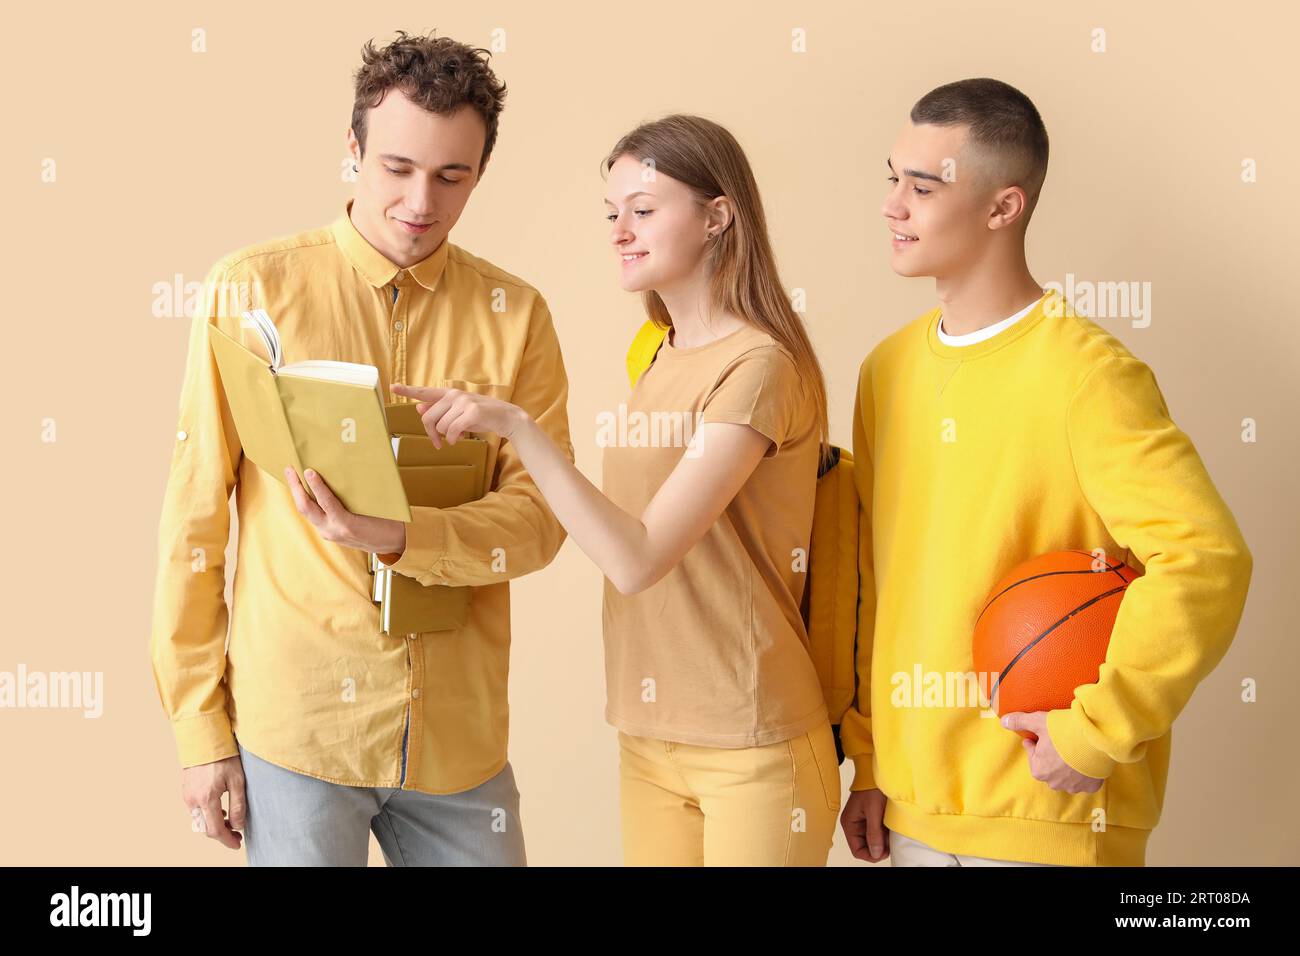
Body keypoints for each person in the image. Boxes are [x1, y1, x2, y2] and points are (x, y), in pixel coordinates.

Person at [149, 30, 573, 866]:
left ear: (480, 172)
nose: (422, 201)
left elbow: (541, 521)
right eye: (398, 168)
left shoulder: (517, 315)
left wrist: (406, 537)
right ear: (353, 150)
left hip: (460, 741)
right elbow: (195, 516)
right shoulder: (250, 287)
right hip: (299, 729)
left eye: (453, 176)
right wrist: (199, 729)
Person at [393, 114, 840, 865]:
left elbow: (637, 559)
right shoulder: (658, 354)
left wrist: (520, 429)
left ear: (717, 216)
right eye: (612, 214)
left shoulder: (759, 367)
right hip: (649, 733)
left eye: (644, 208)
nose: (621, 231)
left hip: (751, 738)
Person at [838, 78, 1253, 867]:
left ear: (1004, 207)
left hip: (1049, 818)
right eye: (892, 178)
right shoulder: (883, 372)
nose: (893, 205)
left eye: (923, 187)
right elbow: (877, 580)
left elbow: (1207, 562)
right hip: (911, 817)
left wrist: (1097, 731)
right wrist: (871, 760)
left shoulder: (1089, 376)